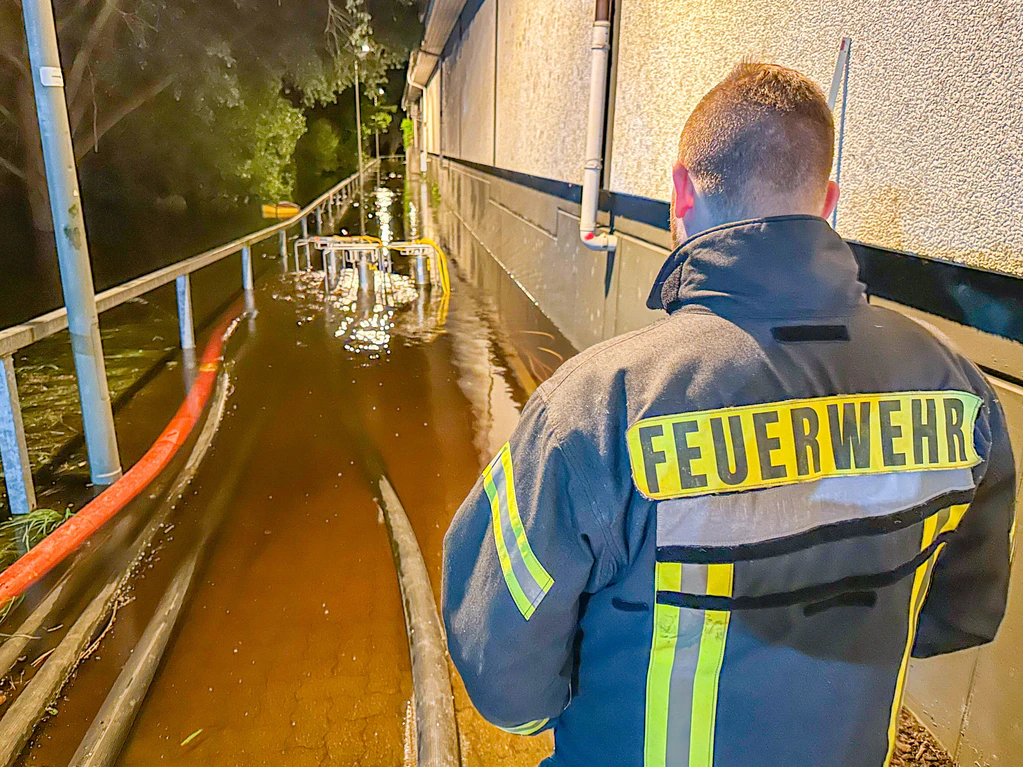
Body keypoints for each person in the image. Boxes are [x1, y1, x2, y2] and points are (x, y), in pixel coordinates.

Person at [441, 62, 1016, 767]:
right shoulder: (955, 387)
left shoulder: (597, 408)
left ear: (681, 189)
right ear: (826, 201)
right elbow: (958, 613)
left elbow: (504, 677)